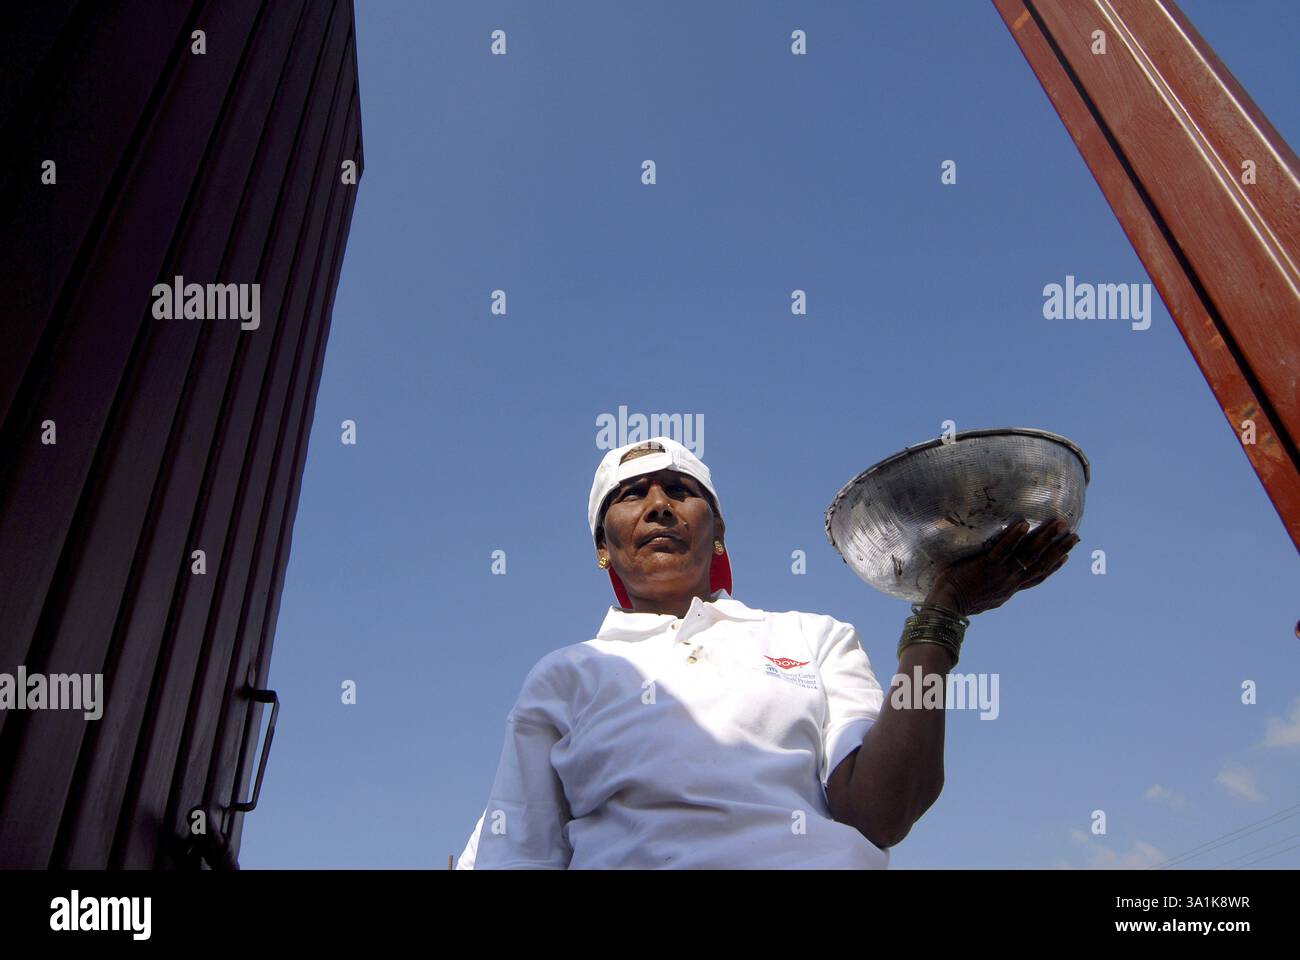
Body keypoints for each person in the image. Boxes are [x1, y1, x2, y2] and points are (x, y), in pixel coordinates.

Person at [455, 436, 1078, 868]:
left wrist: (939, 620)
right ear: (603, 547)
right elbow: (520, 856)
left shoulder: (811, 637)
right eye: (631, 494)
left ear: (718, 528)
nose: (659, 505)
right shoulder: (566, 678)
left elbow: (881, 811)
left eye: (679, 488)